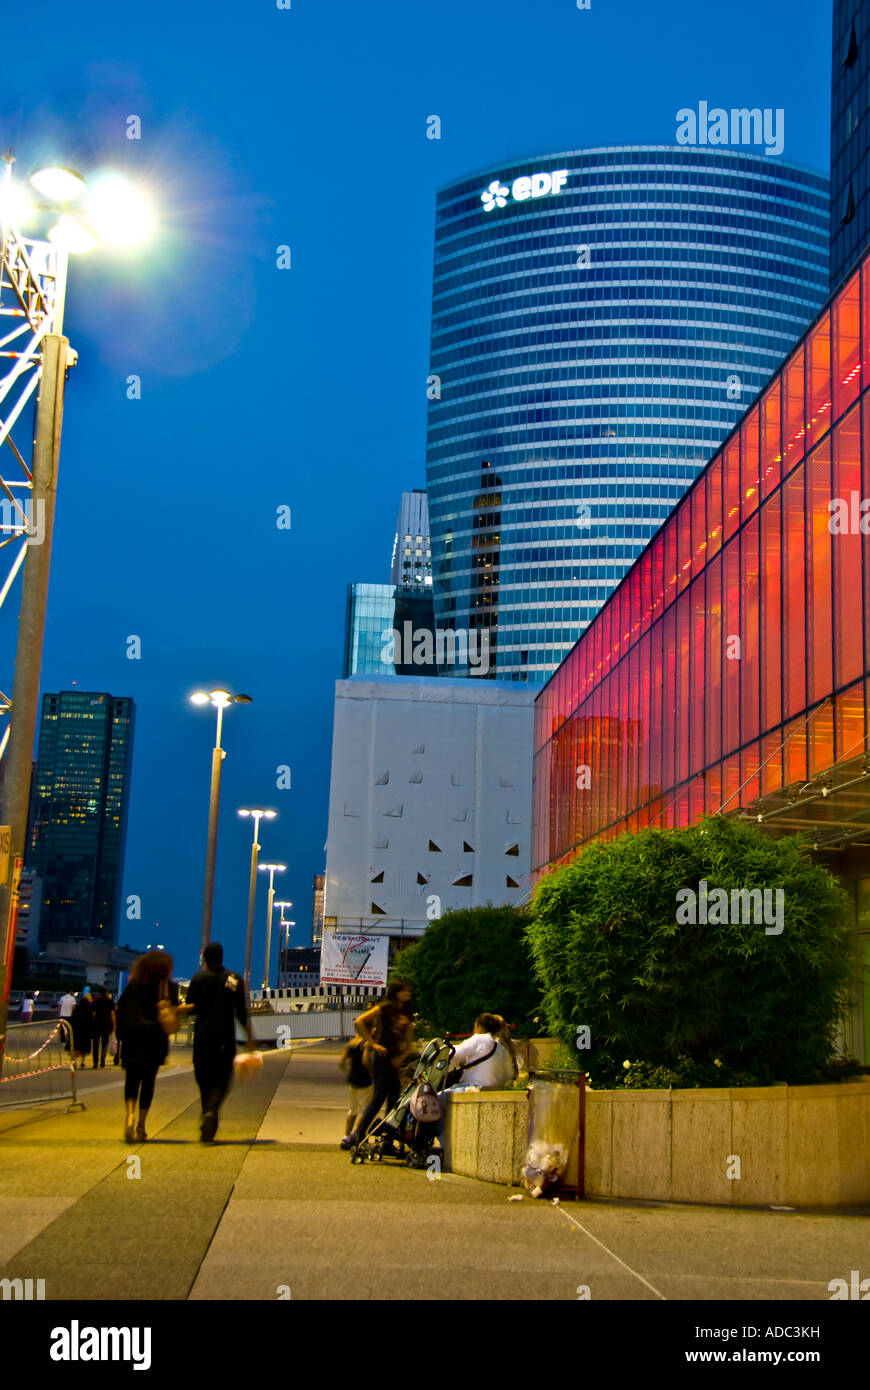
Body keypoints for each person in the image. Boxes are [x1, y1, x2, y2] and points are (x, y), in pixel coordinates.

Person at [180, 942, 253, 1143]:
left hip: (203, 1036)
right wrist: (249, 1038)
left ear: (205, 959)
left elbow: (192, 1008)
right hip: (225, 1036)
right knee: (222, 1079)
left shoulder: (198, 978)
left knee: (203, 1079)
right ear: (222, 957)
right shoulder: (233, 979)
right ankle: (212, 1110)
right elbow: (241, 1012)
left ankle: (207, 1112)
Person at [341, 981, 414, 1150]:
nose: (407, 994)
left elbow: (409, 1042)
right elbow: (360, 1021)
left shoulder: (406, 1012)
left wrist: (401, 1058)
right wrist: (373, 1044)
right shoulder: (385, 1007)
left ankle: (387, 1140)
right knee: (379, 1097)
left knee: (394, 1100)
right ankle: (359, 1135)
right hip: (381, 1057)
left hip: (394, 1058)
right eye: (404, 991)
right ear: (396, 992)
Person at [115, 950, 178, 1142]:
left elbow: (121, 1009)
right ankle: (141, 1125)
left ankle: (130, 1116)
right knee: (148, 1083)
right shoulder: (167, 987)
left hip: (132, 1040)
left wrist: (120, 1035)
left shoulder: (133, 985)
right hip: (155, 1041)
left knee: (131, 1081)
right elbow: (173, 1012)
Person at [446, 1013, 517, 1090]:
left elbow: (454, 1055)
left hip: (473, 1087)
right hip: (495, 1090)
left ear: (480, 1027)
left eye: (474, 1027)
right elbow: (509, 1074)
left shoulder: (480, 1038)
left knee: (438, 1096)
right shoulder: (501, 1048)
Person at [339, 1036, 373, 1145]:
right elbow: (366, 1061)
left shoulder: (352, 1043)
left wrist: (350, 1071)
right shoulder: (367, 1043)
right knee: (365, 1111)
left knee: (352, 1110)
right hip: (365, 1081)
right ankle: (357, 1135)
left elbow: (342, 1063)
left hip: (352, 1080)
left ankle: (346, 1136)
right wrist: (372, 1072)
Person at [91, 987, 114, 1068]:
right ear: (106, 992)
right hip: (106, 1024)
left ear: (100, 993)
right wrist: (114, 1024)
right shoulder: (110, 1001)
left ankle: (95, 1062)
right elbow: (112, 1013)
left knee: (95, 1044)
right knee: (105, 1043)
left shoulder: (96, 1001)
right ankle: (102, 1061)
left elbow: (93, 1014)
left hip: (97, 1024)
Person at [70, 993, 93, 1069]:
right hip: (86, 1031)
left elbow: (72, 1020)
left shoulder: (76, 1009)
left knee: (76, 1047)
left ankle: (75, 1062)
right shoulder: (89, 1010)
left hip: (77, 1031)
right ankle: (82, 1062)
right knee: (84, 1048)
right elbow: (91, 1021)